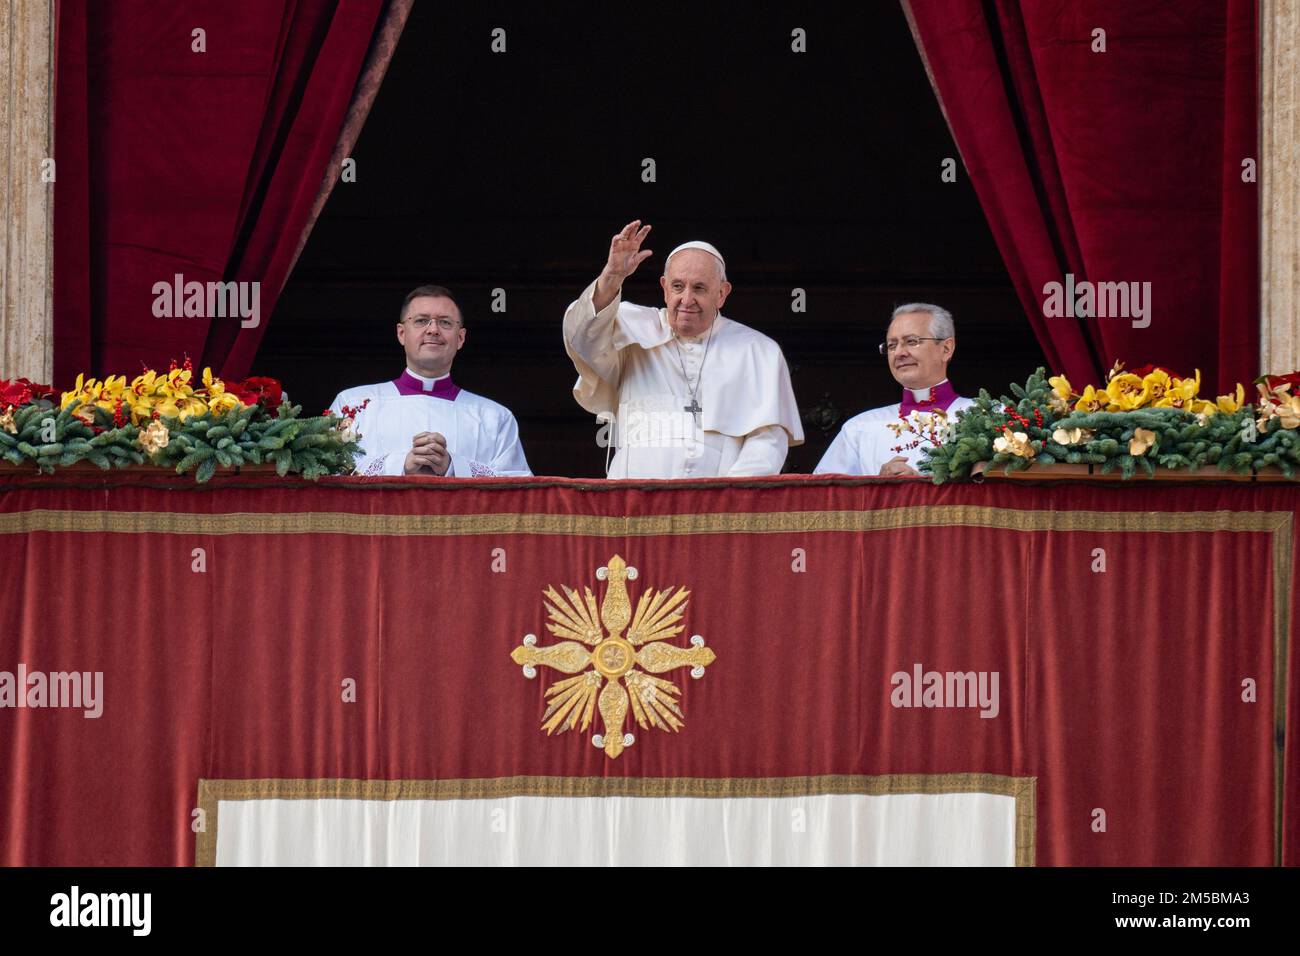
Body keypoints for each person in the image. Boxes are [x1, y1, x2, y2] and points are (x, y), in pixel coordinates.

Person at [563, 220, 803, 478]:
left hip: (717, 510)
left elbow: (767, 443)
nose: (687, 300)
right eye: (678, 286)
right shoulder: (628, 329)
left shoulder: (758, 351)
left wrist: (727, 502)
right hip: (633, 505)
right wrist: (611, 277)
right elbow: (581, 336)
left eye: (699, 288)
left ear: (722, 293)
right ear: (664, 287)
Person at [330, 285, 530, 477]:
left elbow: (519, 491)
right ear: (401, 333)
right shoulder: (352, 404)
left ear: (460, 338)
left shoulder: (494, 417)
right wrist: (398, 464)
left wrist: (453, 466)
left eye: (445, 322)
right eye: (421, 320)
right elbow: (326, 472)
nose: (433, 329)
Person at [815, 303, 974, 476]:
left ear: (946, 348)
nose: (899, 353)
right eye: (891, 345)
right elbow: (823, 497)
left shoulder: (987, 416)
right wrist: (879, 487)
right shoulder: (860, 428)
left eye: (911, 342)